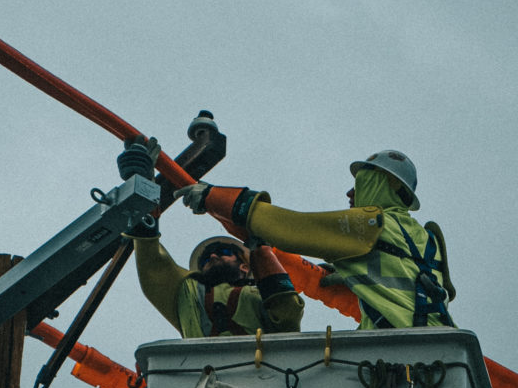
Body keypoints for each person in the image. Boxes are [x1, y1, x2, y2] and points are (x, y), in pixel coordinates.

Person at [178, 149, 456, 331]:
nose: (349, 194)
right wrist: (351, 273)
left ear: (380, 183)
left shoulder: (371, 224)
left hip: (403, 350)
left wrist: (215, 198)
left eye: (359, 184)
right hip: (438, 344)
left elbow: (289, 228)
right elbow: (408, 277)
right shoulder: (424, 236)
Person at [117, 140, 304, 338]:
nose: (213, 256)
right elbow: (152, 260)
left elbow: (288, 315)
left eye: (224, 252)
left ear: (245, 267)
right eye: (205, 259)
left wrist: (261, 249)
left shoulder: (264, 297)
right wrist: (142, 189)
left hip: (259, 367)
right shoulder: (187, 293)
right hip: (204, 367)